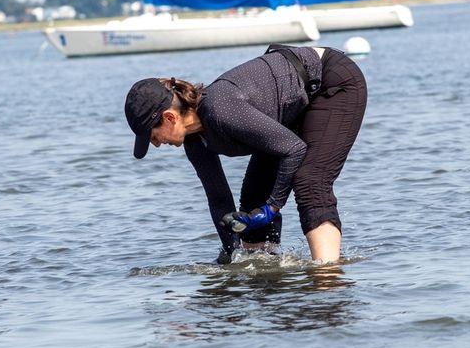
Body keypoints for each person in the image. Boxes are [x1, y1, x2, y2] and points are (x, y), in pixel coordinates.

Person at [125, 44, 367, 264]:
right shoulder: (194, 141)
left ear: (169, 117)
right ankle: (264, 275)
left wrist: (272, 207)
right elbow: (219, 198)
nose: (156, 144)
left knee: (310, 181)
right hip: (291, 106)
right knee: (252, 199)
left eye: (153, 136)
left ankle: (327, 280)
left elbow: (294, 149)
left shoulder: (220, 111)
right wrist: (232, 255)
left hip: (331, 82)